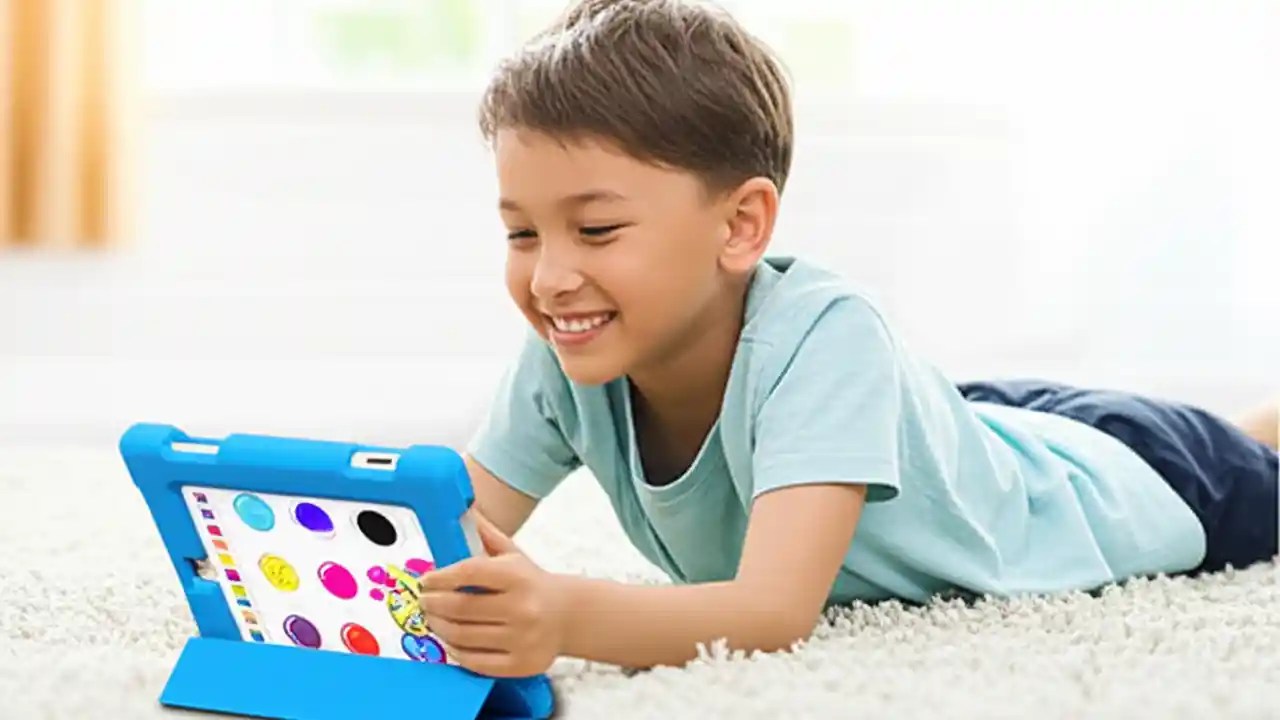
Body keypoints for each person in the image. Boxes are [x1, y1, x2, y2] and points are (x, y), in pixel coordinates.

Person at [416, 0, 1279, 678]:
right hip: (971, 428)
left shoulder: (829, 338)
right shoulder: (567, 354)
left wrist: (568, 617)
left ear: (742, 225)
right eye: (521, 234)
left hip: (1120, 479)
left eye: (596, 230)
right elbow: (445, 530)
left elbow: (771, 613)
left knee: (1244, 459)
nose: (549, 276)